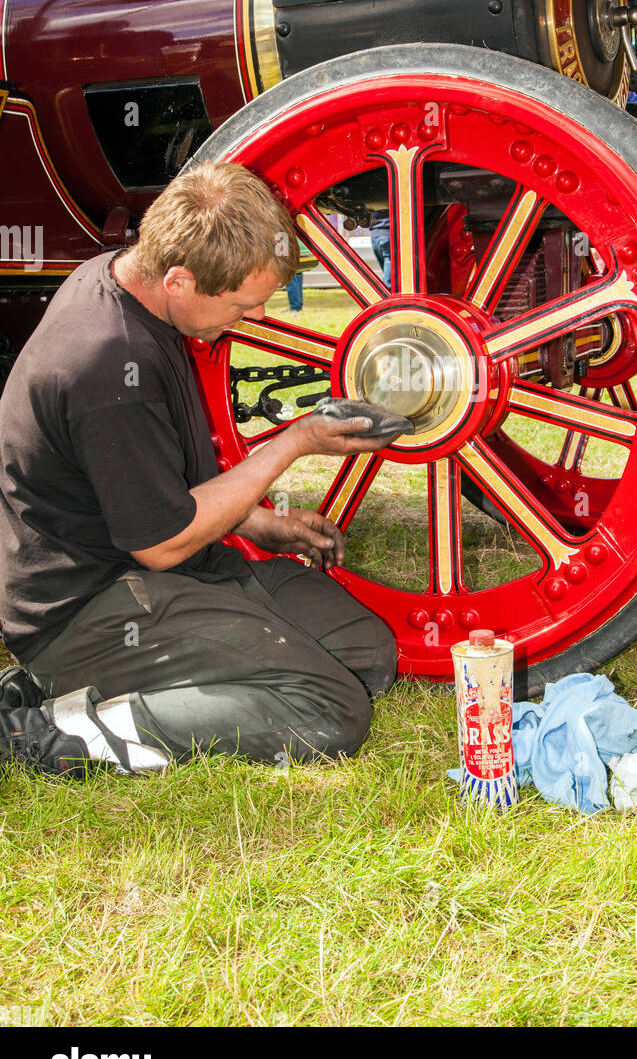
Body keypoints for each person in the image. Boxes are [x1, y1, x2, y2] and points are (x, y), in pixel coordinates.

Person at [0, 161, 397, 778]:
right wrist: (293, 443)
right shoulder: (109, 364)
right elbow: (160, 545)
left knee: (366, 652)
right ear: (180, 280)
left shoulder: (127, 281)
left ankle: (88, 686)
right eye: (245, 303)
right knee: (331, 708)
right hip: (89, 605)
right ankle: (53, 730)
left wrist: (259, 523)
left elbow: (149, 481)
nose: (260, 319)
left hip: (154, 568)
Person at [369, 210, 392, 290]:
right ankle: (386, 289)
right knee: (390, 262)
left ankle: (385, 287)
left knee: (385, 266)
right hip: (387, 232)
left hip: (374, 235)